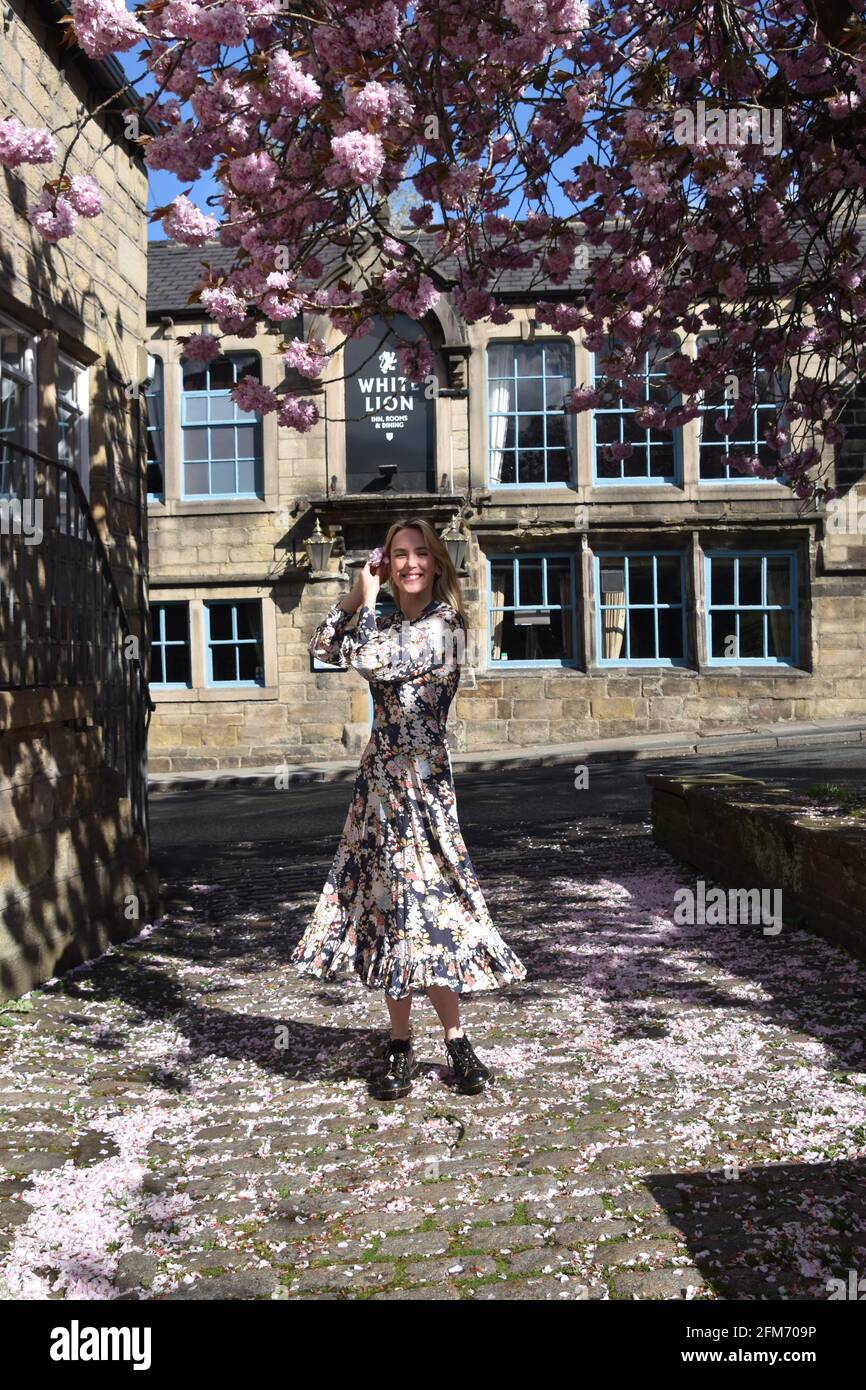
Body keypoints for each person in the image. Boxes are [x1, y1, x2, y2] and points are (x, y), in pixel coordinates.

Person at [291, 517, 527, 1099]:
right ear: (388, 563)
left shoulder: (446, 626)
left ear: (437, 562)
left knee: (435, 905)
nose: (410, 563)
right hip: (380, 787)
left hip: (424, 783)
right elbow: (323, 648)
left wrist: (367, 609)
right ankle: (400, 1042)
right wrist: (354, 595)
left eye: (420, 553)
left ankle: (454, 1036)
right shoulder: (386, 616)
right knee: (392, 906)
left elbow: (376, 662)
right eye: (399, 554)